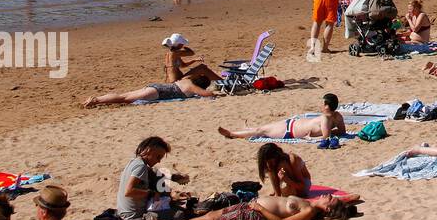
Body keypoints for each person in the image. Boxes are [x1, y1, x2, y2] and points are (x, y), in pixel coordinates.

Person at [156, 193, 355, 220]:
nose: (328, 195)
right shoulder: (310, 203)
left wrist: (258, 207)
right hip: (251, 206)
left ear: (329, 209)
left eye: (331, 199)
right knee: (210, 215)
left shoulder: (310, 212)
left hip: (254, 214)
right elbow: (353, 197)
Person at [117, 137, 187, 220]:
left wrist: (173, 177)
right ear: (148, 150)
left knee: (157, 177)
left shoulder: (135, 161)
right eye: (158, 157)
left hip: (123, 213)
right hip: (134, 216)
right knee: (180, 215)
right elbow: (129, 192)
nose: (158, 161)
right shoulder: (141, 167)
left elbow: (154, 173)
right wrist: (152, 194)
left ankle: (172, 196)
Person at [220, 93, 347, 140]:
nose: (320, 105)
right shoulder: (338, 116)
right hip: (291, 124)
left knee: (261, 131)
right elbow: (342, 131)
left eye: (322, 103)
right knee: (260, 128)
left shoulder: (325, 118)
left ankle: (232, 133)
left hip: (289, 130)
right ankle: (246, 129)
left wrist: (312, 137)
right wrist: (329, 131)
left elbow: (326, 137)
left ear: (326, 106)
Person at [84, 74, 215, 107]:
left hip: (156, 87)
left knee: (124, 95)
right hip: (157, 93)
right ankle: (95, 100)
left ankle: (97, 99)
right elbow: (208, 94)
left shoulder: (186, 79)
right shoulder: (193, 87)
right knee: (123, 99)